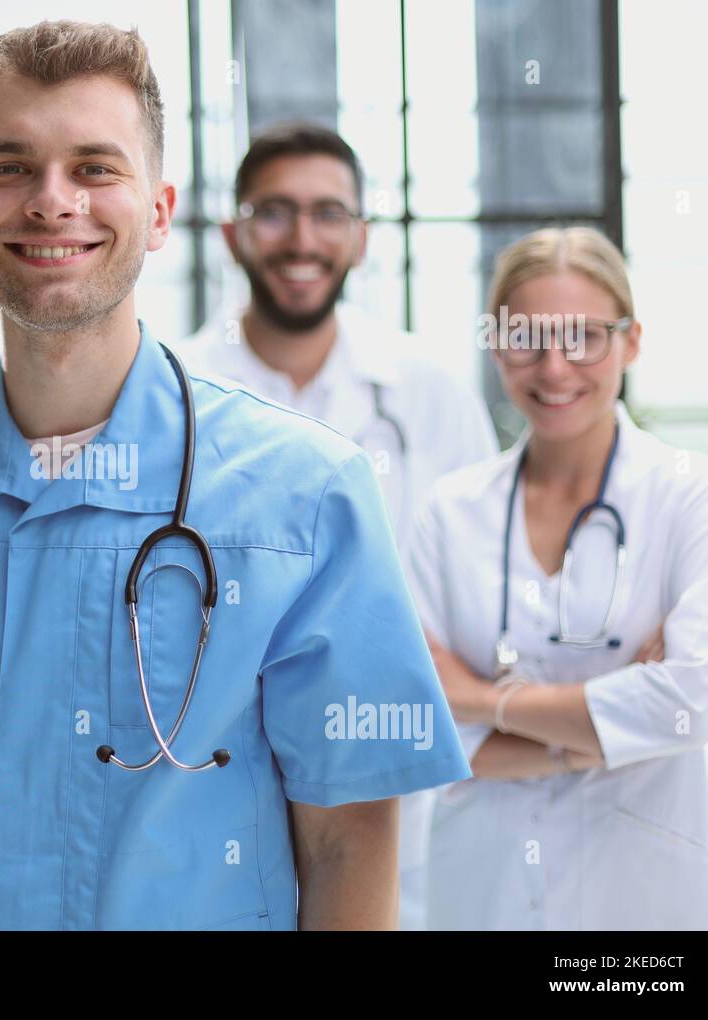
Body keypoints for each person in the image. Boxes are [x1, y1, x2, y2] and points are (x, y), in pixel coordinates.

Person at [0, 20, 469, 931]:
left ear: (158, 212)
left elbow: (347, 842)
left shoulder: (303, 500)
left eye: (93, 168)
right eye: (9, 168)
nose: (51, 202)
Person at [177, 121, 497, 929]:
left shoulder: (429, 392)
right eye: (275, 212)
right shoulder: (174, 395)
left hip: (393, 785)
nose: (302, 238)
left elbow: (482, 588)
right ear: (232, 234)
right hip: (211, 776)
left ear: (359, 238)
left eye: (328, 213)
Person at [408, 227, 708, 930]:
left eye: (583, 336)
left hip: (642, 898)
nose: (554, 368)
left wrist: (481, 698)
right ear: (496, 345)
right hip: (483, 888)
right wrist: (603, 728)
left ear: (632, 341)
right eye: (527, 337)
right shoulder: (450, 510)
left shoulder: (694, 495)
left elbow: (688, 706)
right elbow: (426, 730)